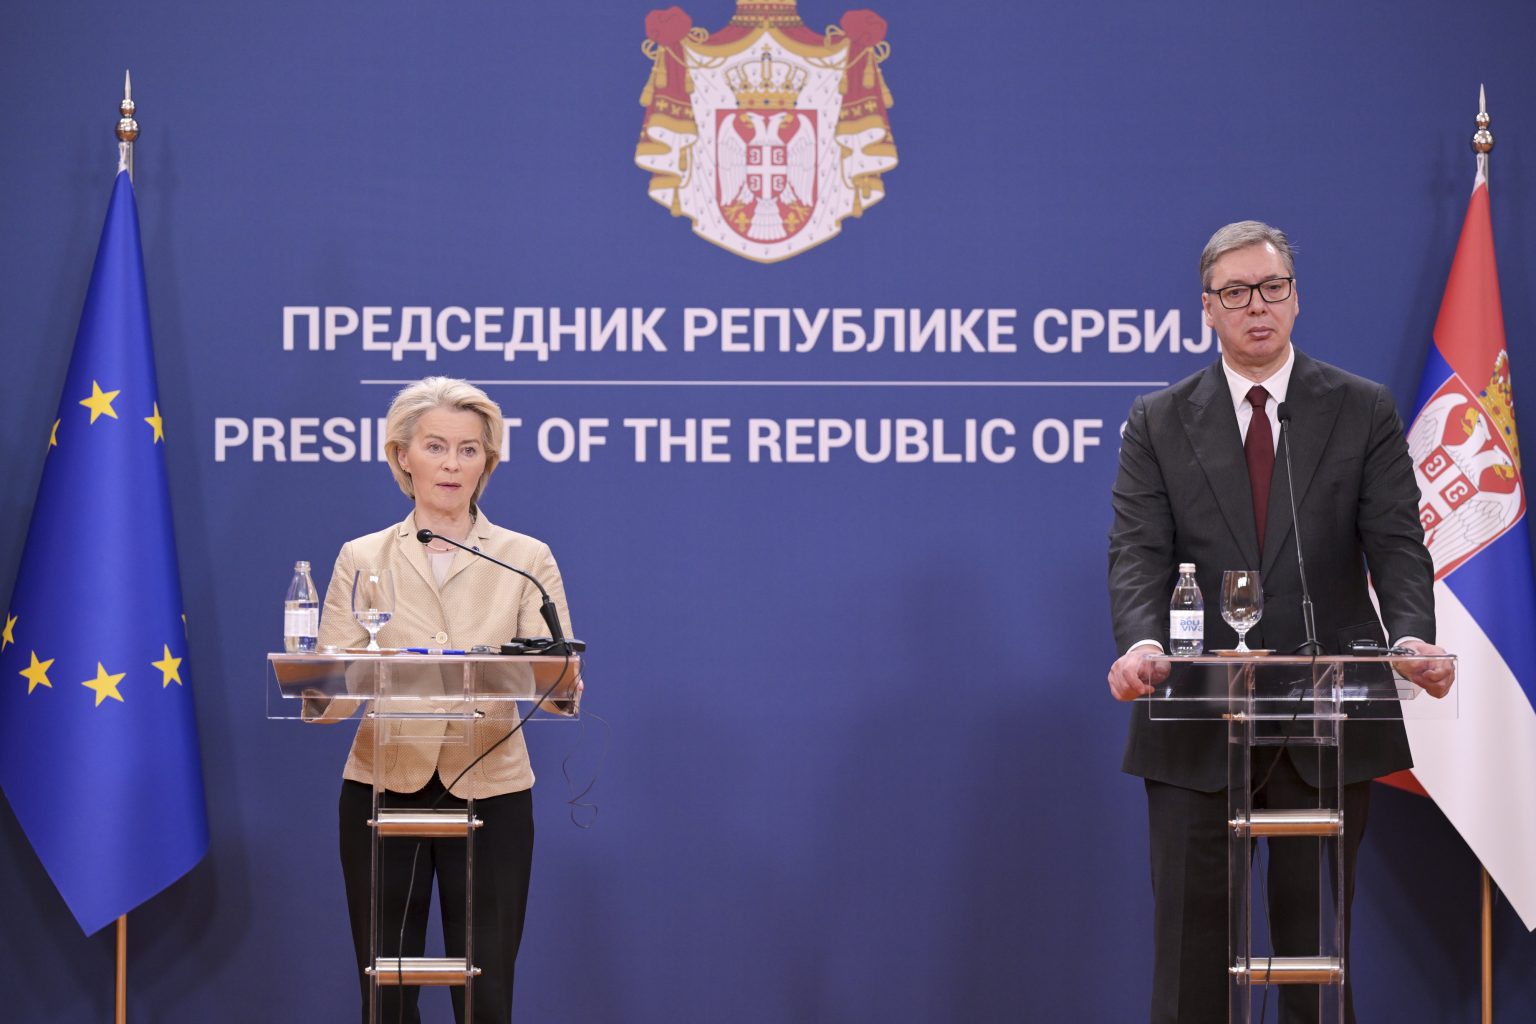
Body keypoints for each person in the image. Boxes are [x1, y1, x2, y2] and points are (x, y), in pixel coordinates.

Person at [1105, 221, 1454, 1023]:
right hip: (1197, 722)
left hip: (1324, 720)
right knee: (1192, 958)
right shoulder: (1158, 422)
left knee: (1312, 963)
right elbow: (1136, 551)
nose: (1255, 307)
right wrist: (1142, 644)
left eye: (1271, 289)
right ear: (1208, 309)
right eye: (1235, 293)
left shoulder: (1360, 410)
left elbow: (1398, 543)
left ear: (1295, 298)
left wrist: (1408, 636)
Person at [317, 376, 576, 1024]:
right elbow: (331, 692)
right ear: (403, 455)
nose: (453, 464)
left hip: (492, 788)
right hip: (383, 783)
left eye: (469, 449)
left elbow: (554, 686)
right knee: (387, 992)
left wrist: (562, 683)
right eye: (436, 446)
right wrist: (321, 685)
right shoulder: (361, 555)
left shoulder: (526, 558)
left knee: (486, 994)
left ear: (488, 460)